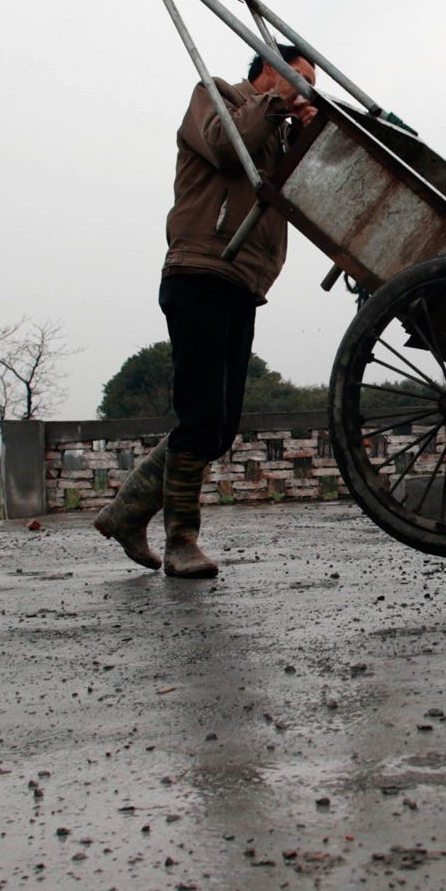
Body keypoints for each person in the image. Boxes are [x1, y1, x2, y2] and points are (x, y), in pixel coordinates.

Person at [93, 41, 320, 578]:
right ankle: (181, 544)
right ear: (268, 68)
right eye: (300, 78)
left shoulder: (281, 130)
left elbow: (306, 192)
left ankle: (125, 514)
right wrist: (274, 106)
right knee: (199, 417)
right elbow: (224, 146)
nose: (305, 89)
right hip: (198, 270)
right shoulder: (215, 95)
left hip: (243, 281)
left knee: (218, 428)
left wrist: (307, 130)